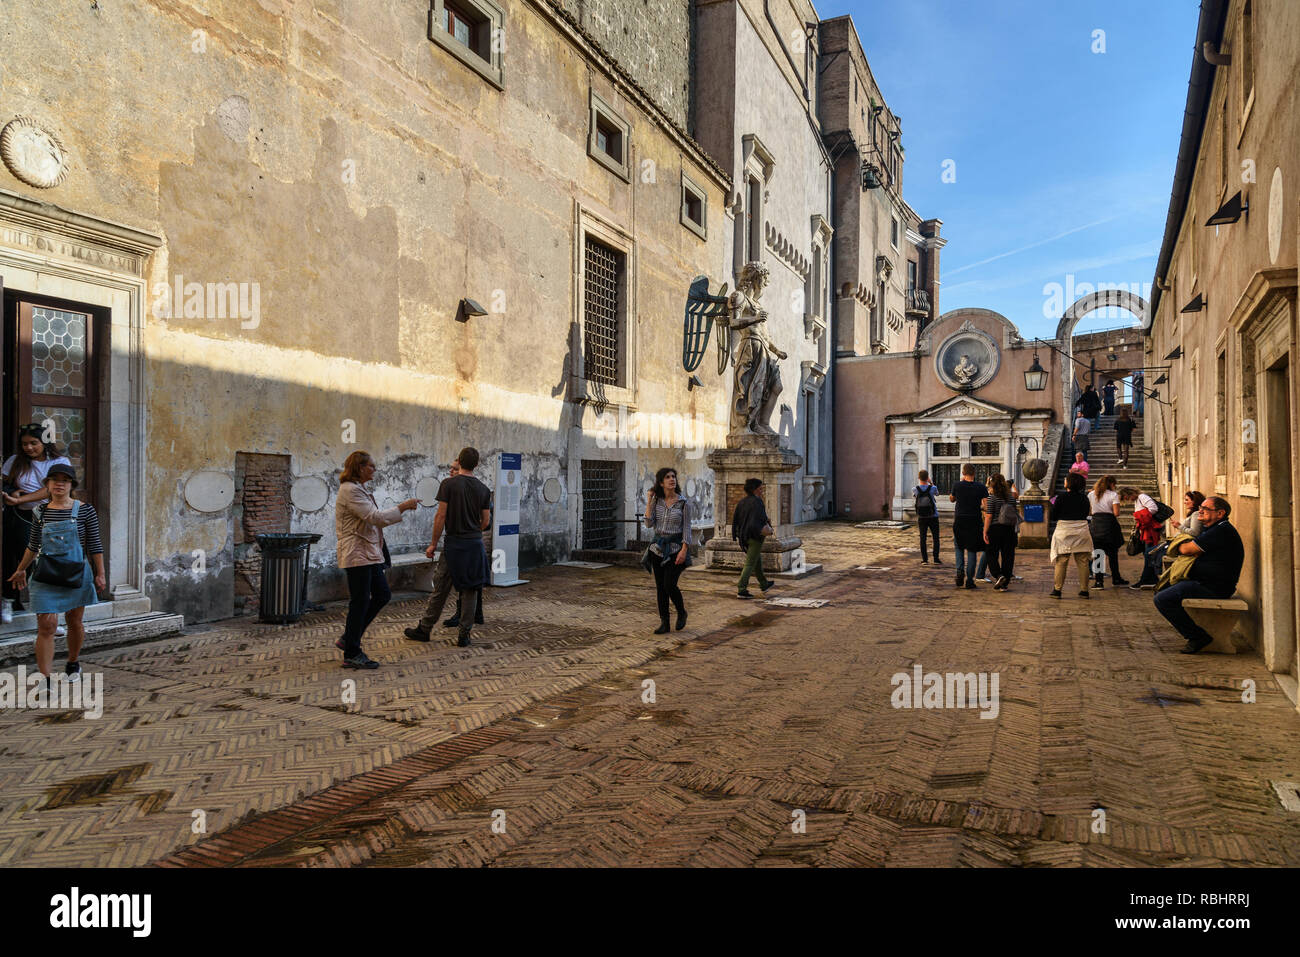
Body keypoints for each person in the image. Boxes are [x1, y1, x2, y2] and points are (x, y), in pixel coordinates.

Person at [5, 464, 104, 688]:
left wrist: (101, 574)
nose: (59, 484)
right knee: (47, 626)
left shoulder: (85, 510)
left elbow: (95, 544)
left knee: (74, 620)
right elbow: (33, 545)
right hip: (46, 573)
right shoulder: (39, 511)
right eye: (54, 480)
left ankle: (72, 662)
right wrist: (21, 568)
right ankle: (46, 677)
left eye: (65, 480)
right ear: (47, 484)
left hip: (77, 572)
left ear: (71, 485)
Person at [334, 451, 419, 669]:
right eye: (371, 466)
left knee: (382, 594)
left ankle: (349, 638)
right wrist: (403, 507)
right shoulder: (350, 490)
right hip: (356, 553)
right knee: (360, 601)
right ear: (360, 467)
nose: (374, 469)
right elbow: (375, 518)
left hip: (367, 552)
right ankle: (352, 652)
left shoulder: (358, 489)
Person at [405, 447, 492, 648]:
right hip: (474, 544)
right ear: (477, 465)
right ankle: (464, 634)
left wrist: (433, 543)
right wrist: (472, 529)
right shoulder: (483, 489)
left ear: (459, 462)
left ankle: (425, 628)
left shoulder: (448, 484)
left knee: (441, 588)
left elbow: (440, 516)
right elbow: (485, 521)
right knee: (470, 589)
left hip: (454, 544)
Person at [1154, 496, 1244, 654]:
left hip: (1214, 588)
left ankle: (1197, 637)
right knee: (1164, 589)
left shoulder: (1221, 530)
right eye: (1200, 507)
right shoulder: (1215, 529)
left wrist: (1181, 545)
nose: (1200, 511)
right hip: (1205, 583)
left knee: (1162, 599)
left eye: (1206, 509)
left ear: (1220, 513)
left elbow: (1187, 549)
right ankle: (1195, 633)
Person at [2, 424, 71, 625]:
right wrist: (11, 491)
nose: (29, 448)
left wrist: (20, 499)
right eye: (24, 444)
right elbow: (5, 481)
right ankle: (8, 600)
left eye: (34, 443)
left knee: (47, 566)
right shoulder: (16, 461)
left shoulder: (60, 462)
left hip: (51, 519)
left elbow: (51, 489)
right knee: (18, 562)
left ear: (45, 442)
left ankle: (50, 616)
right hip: (22, 519)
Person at [641, 466, 692, 629]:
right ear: (661, 482)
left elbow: (687, 529)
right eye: (668, 477)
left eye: (673, 477)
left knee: (669, 585)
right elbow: (648, 523)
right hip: (657, 549)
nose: (672, 479)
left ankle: (681, 612)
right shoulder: (657, 501)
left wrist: (684, 550)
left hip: (676, 549)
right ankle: (664, 622)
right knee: (660, 588)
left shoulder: (683, 503)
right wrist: (649, 499)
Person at [441, 460, 485, 630]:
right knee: (469, 579)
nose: (451, 471)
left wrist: (471, 531)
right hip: (469, 537)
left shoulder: (473, 487)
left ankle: (470, 615)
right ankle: (469, 614)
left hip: (470, 539)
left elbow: (484, 519)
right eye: (450, 468)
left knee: (470, 580)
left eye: (455, 468)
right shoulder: (453, 487)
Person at [1133, 490, 1204, 589]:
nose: (1184, 502)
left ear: (1194, 501)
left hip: (1183, 544)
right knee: (1149, 552)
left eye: (1187, 500)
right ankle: (1150, 579)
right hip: (1177, 541)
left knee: (1150, 553)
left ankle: (1151, 579)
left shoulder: (1196, 514)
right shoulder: (1194, 514)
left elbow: (1195, 533)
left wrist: (1179, 526)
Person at [1050, 471, 1093, 598]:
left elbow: (1053, 516)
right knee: (1083, 561)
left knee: (1062, 561)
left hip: (1064, 530)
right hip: (1081, 530)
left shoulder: (1061, 498)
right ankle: (1084, 590)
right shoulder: (1084, 498)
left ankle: (1057, 590)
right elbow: (1086, 513)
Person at [732, 477, 774, 598]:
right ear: (755, 490)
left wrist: (738, 535)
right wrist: (766, 524)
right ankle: (742, 588)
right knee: (750, 563)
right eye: (760, 489)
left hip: (744, 535)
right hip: (755, 536)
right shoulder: (757, 502)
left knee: (756, 560)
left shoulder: (742, 502)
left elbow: (737, 520)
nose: (762, 491)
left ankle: (764, 583)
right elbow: (758, 520)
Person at [1087, 475, 1128, 588]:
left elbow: (1090, 511)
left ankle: (1099, 582)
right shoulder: (1113, 495)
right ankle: (1116, 578)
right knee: (1113, 554)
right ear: (1111, 484)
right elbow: (1116, 513)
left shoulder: (1091, 494)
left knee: (1098, 554)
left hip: (1096, 524)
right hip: (1109, 525)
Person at [949, 464, 986, 589]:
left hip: (960, 520)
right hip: (974, 521)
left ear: (963, 473)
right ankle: (969, 580)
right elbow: (985, 506)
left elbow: (952, 499)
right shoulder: (981, 487)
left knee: (959, 547)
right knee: (972, 550)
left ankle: (960, 571)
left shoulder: (957, 485)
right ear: (974, 474)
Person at [982, 473, 1018, 591]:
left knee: (991, 553)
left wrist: (985, 531)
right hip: (1009, 529)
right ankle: (1005, 583)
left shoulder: (992, 498)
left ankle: (998, 575)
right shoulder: (1011, 498)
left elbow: (989, 516)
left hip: (995, 529)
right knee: (1008, 556)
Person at [913, 469, 941, 565]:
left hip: (922, 516)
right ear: (927, 478)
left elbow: (915, 496)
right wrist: (931, 483)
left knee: (923, 538)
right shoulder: (933, 488)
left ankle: (925, 559)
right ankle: (936, 559)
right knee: (936, 538)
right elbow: (937, 493)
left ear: (918, 478)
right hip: (933, 515)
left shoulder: (915, 489)